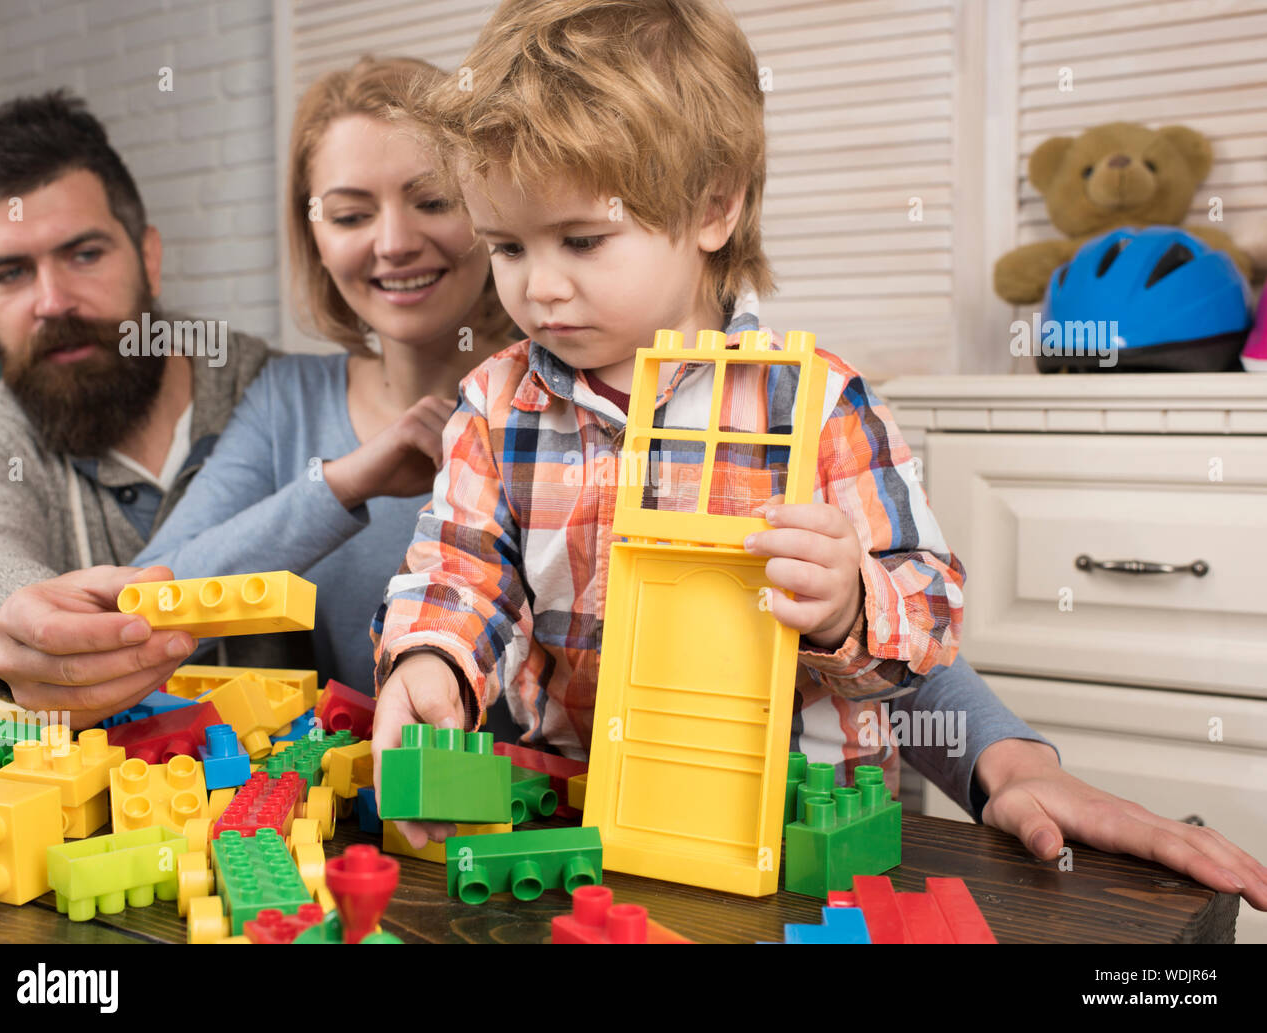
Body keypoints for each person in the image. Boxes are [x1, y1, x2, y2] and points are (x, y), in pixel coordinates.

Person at [369, 0, 1267, 910]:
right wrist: (429, 663)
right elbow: (461, 571)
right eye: (507, 247)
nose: (541, 286)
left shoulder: (817, 402)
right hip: (587, 828)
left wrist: (848, 605)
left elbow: (927, 604)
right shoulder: (496, 403)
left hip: (792, 839)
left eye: (584, 240)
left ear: (714, 205)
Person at [134, 57, 519, 695]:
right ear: (313, 234)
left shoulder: (566, 398)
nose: (394, 242)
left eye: (432, 201)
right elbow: (143, 603)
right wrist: (343, 483)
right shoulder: (286, 401)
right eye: (349, 216)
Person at [0, 91, 273, 723]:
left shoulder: (265, 386)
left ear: (149, 258)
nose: (53, 302)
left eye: (84, 254)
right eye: (9, 274)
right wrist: (11, 623)